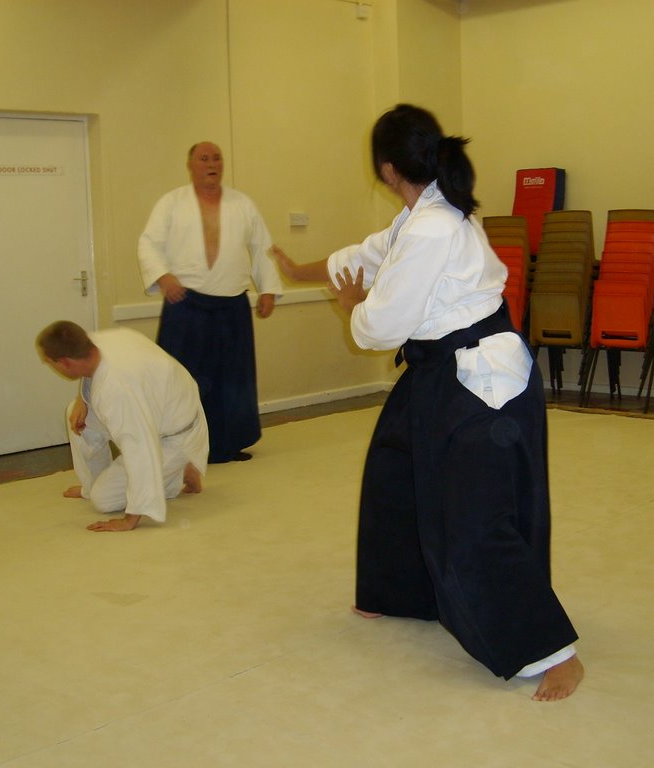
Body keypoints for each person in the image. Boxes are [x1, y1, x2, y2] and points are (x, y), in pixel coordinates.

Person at [273, 104, 584, 701]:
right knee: (395, 465)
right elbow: (359, 258)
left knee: (472, 516)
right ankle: (402, 591)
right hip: (440, 369)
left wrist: (350, 308)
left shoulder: (431, 228)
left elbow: (381, 325)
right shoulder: (424, 212)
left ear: (388, 170)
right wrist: (297, 270)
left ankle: (552, 652)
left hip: (480, 381)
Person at [138, 141, 282, 463]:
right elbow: (148, 244)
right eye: (204, 158)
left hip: (232, 304)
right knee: (183, 379)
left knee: (233, 379)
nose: (211, 163)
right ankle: (180, 449)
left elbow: (262, 247)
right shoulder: (171, 203)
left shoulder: (242, 204)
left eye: (217, 158)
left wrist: (268, 288)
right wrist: (163, 276)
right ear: (191, 165)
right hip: (186, 303)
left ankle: (228, 444)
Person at [36, 321, 208, 533]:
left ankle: (180, 467)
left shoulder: (117, 388)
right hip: (165, 409)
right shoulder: (97, 342)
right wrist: (83, 399)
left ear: (66, 362)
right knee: (76, 413)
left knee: (103, 500)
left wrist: (130, 518)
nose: (50, 366)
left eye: (51, 363)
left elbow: (140, 447)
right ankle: (92, 486)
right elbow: (90, 375)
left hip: (174, 436)